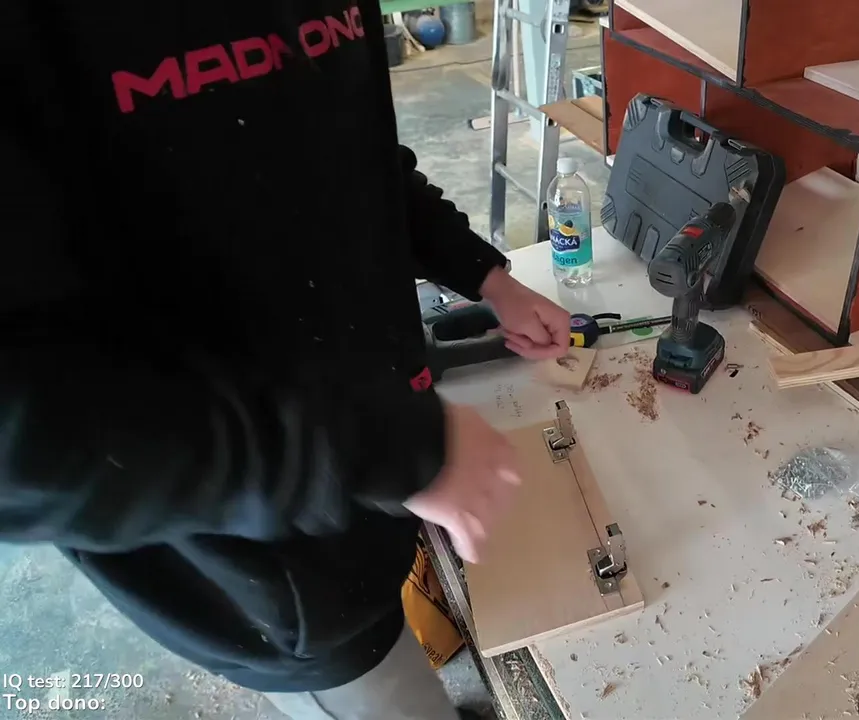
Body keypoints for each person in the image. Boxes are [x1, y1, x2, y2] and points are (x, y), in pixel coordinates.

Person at [2, 0, 570, 718]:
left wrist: (486, 276)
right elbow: (27, 437)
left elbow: (350, 159)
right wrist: (381, 446)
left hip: (374, 468)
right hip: (261, 563)